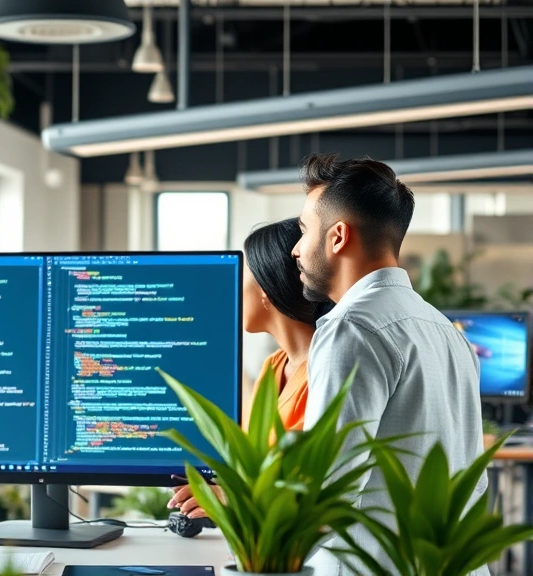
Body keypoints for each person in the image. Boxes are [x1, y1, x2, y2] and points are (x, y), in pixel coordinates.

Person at [292, 153, 484, 573]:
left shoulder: (352, 327)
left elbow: (329, 489)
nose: (295, 248)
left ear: (337, 236)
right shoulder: (448, 332)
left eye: (304, 231)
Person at [169, 218, 331, 517]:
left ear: (267, 291)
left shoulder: (326, 372)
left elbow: (304, 482)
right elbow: (249, 459)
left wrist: (228, 496)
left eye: (243, 274)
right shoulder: (274, 366)